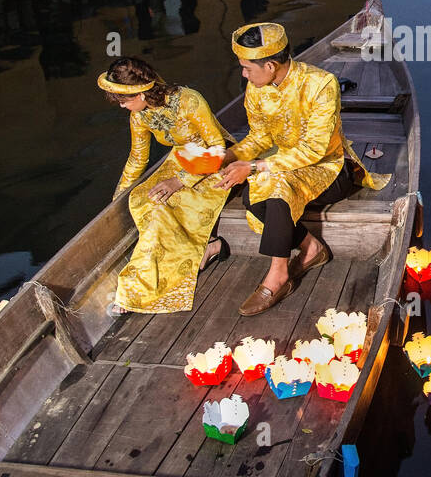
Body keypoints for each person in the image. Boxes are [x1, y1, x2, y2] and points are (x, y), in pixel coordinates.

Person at [217, 23, 391, 316]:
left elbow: (314, 150)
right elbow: (260, 137)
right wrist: (229, 155)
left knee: (276, 184)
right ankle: (311, 248)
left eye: (247, 68)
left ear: (270, 65)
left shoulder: (321, 84)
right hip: (284, 164)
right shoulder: (256, 88)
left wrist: (253, 166)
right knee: (252, 196)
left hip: (331, 169)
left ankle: (278, 275)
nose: (244, 74)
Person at [99, 59, 231, 314]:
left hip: (214, 160)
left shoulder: (189, 100)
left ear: (140, 93)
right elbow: (137, 158)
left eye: (124, 101)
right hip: (181, 157)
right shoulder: (140, 115)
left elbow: (218, 147)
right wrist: (117, 198)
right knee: (140, 199)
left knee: (166, 206)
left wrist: (180, 181)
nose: (123, 107)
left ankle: (137, 289)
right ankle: (207, 248)